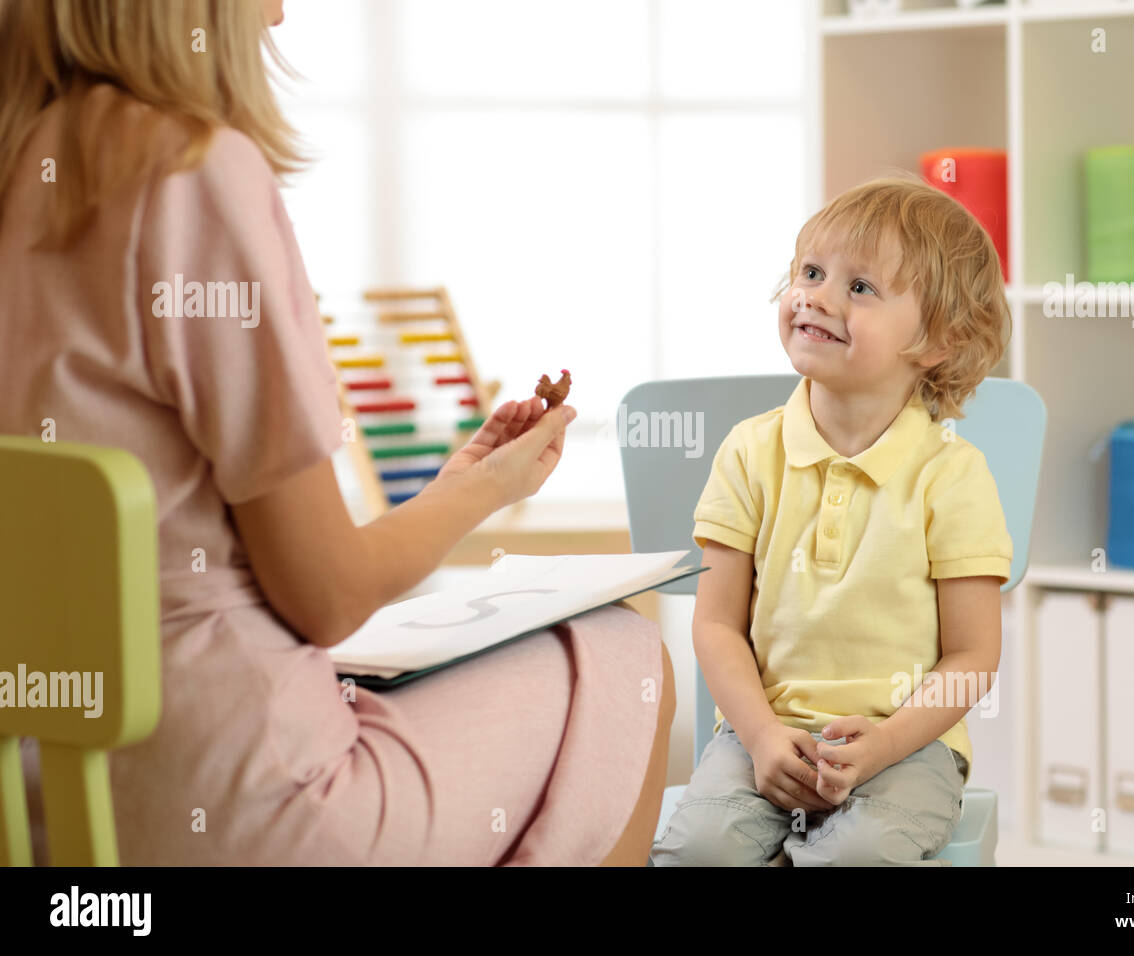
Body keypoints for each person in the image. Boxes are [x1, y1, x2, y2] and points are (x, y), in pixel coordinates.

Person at [0, 0, 672, 866]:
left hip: (44, 798)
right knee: (624, 654)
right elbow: (322, 598)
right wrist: (483, 492)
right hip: (236, 795)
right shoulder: (192, 173)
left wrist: (447, 490)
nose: (280, 12)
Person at [652, 177, 1013, 866]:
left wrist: (884, 743)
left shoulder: (951, 474)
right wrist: (759, 736)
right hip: (759, 733)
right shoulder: (750, 452)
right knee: (699, 852)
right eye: (811, 273)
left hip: (907, 748)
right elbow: (716, 624)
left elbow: (973, 658)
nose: (814, 295)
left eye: (859, 287)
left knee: (858, 856)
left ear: (937, 340)